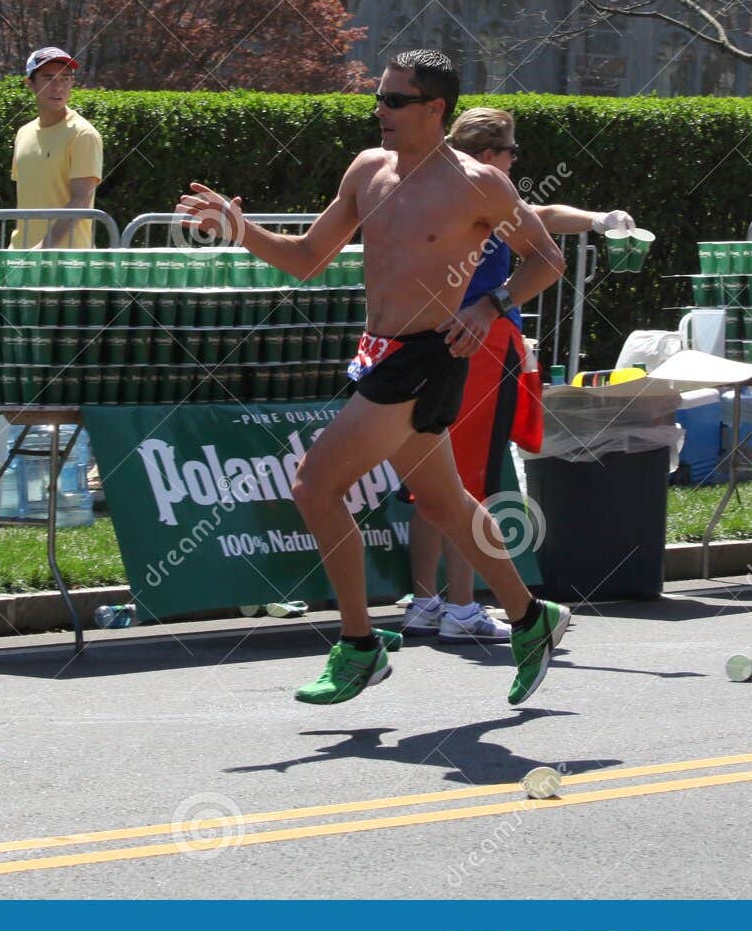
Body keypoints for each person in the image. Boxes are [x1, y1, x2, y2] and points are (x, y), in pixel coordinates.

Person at [179, 50, 570, 707]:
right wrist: (239, 227)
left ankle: (359, 644)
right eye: (379, 98)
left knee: (314, 485)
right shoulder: (368, 171)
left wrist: (489, 303)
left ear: (434, 109)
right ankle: (532, 618)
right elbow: (306, 257)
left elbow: (548, 257)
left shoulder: (477, 184)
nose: (380, 111)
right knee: (445, 502)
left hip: (427, 356)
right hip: (382, 352)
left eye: (395, 101)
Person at [404, 107, 634, 644]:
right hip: (478, 342)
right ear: (489, 156)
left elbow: (543, 212)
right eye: (511, 151)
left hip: (424, 336)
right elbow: (542, 226)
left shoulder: (427, 186)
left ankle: (424, 600)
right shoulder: (483, 193)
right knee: (471, 482)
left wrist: (597, 220)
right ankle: (462, 607)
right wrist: (499, 300)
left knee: (427, 476)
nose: (514, 159)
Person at [10, 47, 103, 251]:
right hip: (23, 256)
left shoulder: (83, 134)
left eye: (65, 78)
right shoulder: (23, 134)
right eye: (49, 78)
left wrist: (44, 247)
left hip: (68, 264)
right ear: (30, 84)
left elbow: (81, 200)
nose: (58, 87)